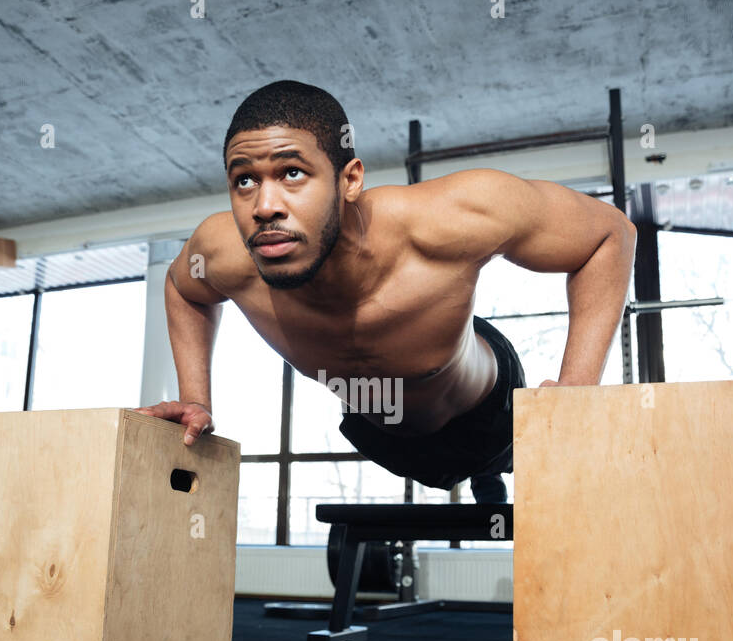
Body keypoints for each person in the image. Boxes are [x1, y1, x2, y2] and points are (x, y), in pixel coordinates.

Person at [134, 80, 636, 502]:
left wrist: (577, 390)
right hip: (381, 435)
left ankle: (488, 473)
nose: (265, 205)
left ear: (349, 180)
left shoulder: (455, 215)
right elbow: (183, 290)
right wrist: (195, 398)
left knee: (498, 463)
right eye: (244, 181)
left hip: (486, 411)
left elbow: (609, 234)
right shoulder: (221, 253)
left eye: (292, 173)